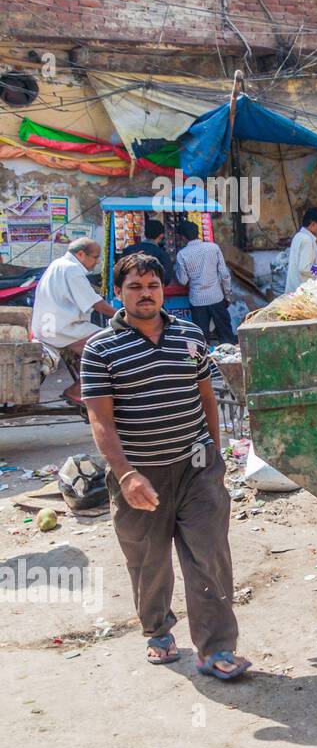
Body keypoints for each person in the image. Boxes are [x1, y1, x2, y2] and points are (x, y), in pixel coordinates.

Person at [81, 252, 249, 680]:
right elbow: (100, 418)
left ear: (163, 290)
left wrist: (213, 450)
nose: (145, 294)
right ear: (118, 293)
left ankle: (216, 649)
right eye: (135, 287)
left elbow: (206, 397)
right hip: (139, 475)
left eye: (152, 286)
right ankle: (158, 631)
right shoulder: (100, 350)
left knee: (209, 555)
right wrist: (125, 473)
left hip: (196, 468)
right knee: (149, 561)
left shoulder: (191, 336)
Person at [29, 237, 116, 404]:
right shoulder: (72, 269)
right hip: (63, 329)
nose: (97, 262)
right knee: (109, 346)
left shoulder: (58, 264)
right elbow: (94, 302)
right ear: (81, 254)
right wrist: (120, 315)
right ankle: (77, 390)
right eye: (95, 257)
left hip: (50, 326)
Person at [174, 220, 235, 346]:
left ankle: (205, 362)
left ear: (183, 237)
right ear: (198, 233)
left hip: (197, 301)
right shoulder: (213, 247)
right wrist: (227, 294)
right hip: (216, 297)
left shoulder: (182, 255)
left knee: (201, 339)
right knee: (226, 335)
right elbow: (225, 274)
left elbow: (183, 281)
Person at [120, 219, 174, 286]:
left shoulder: (128, 250)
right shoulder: (162, 254)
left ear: (145, 234)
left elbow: (120, 273)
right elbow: (167, 279)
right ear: (161, 235)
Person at [286, 208, 317, 295]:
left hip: (295, 287)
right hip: (301, 290)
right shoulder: (307, 240)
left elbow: (302, 256)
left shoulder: (299, 236)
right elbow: (304, 269)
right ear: (313, 224)